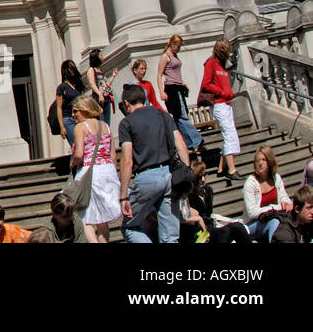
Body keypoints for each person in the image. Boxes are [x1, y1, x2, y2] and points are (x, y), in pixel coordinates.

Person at [118, 83, 189, 244]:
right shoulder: (164, 115)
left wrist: (123, 196)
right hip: (170, 175)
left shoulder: (126, 123)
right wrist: (186, 175)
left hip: (146, 177)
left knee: (129, 226)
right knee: (170, 237)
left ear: (127, 103)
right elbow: (181, 145)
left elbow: (127, 160)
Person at [70, 94, 119, 242]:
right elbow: (112, 155)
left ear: (85, 109)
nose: (73, 115)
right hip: (108, 171)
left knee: (85, 218)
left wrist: (72, 164)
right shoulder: (105, 126)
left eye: (75, 111)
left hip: (90, 173)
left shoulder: (81, 127)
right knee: (103, 219)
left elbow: (79, 153)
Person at [178, 161, 251, 244]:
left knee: (238, 226)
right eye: (199, 177)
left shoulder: (208, 190)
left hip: (210, 228)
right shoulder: (189, 195)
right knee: (225, 231)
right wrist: (198, 218)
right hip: (197, 233)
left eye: (204, 175)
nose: (203, 179)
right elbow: (183, 215)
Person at [156, 34, 203, 153]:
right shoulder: (165, 57)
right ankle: (196, 139)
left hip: (178, 87)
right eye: (177, 46)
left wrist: (183, 83)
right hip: (171, 88)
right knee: (181, 115)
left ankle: (188, 142)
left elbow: (176, 73)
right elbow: (159, 74)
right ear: (172, 43)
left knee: (180, 116)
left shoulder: (174, 56)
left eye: (179, 46)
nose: (178, 48)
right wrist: (161, 91)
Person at [200, 39, 239, 181]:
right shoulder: (211, 63)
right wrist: (222, 92)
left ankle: (221, 168)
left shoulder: (221, 65)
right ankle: (232, 170)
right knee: (229, 133)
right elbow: (206, 84)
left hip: (226, 103)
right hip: (218, 103)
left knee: (231, 132)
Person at [241, 145, 292, 242]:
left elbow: (284, 197)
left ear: (270, 161)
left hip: (274, 216)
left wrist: (288, 204)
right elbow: (252, 213)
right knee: (275, 222)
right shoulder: (250, 183)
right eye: (257, 161)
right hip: (253, 223)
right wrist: (278, 207)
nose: (260, 163)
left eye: (263, 160)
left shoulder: (276, 178)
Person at [54, 59, 85, 146]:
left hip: (79, 118)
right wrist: (62, 127)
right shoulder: (62, 88)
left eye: (74, 67)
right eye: (71, 68)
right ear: (66, 70)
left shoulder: (78, 85)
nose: (73, 70)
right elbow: (59, 108)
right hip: (67, 119)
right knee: (76, 145)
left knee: (83, 144)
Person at [85, 50, 114, 126]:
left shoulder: (100, 70)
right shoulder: (91, 69)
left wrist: (113, 76)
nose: (103, 57)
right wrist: (99, 94)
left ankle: (106, 135)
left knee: (107, 123)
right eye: (101, 55)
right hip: (99, 99)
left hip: (106, 98)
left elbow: (105, 84)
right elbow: (92, 84)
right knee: (101, 122)